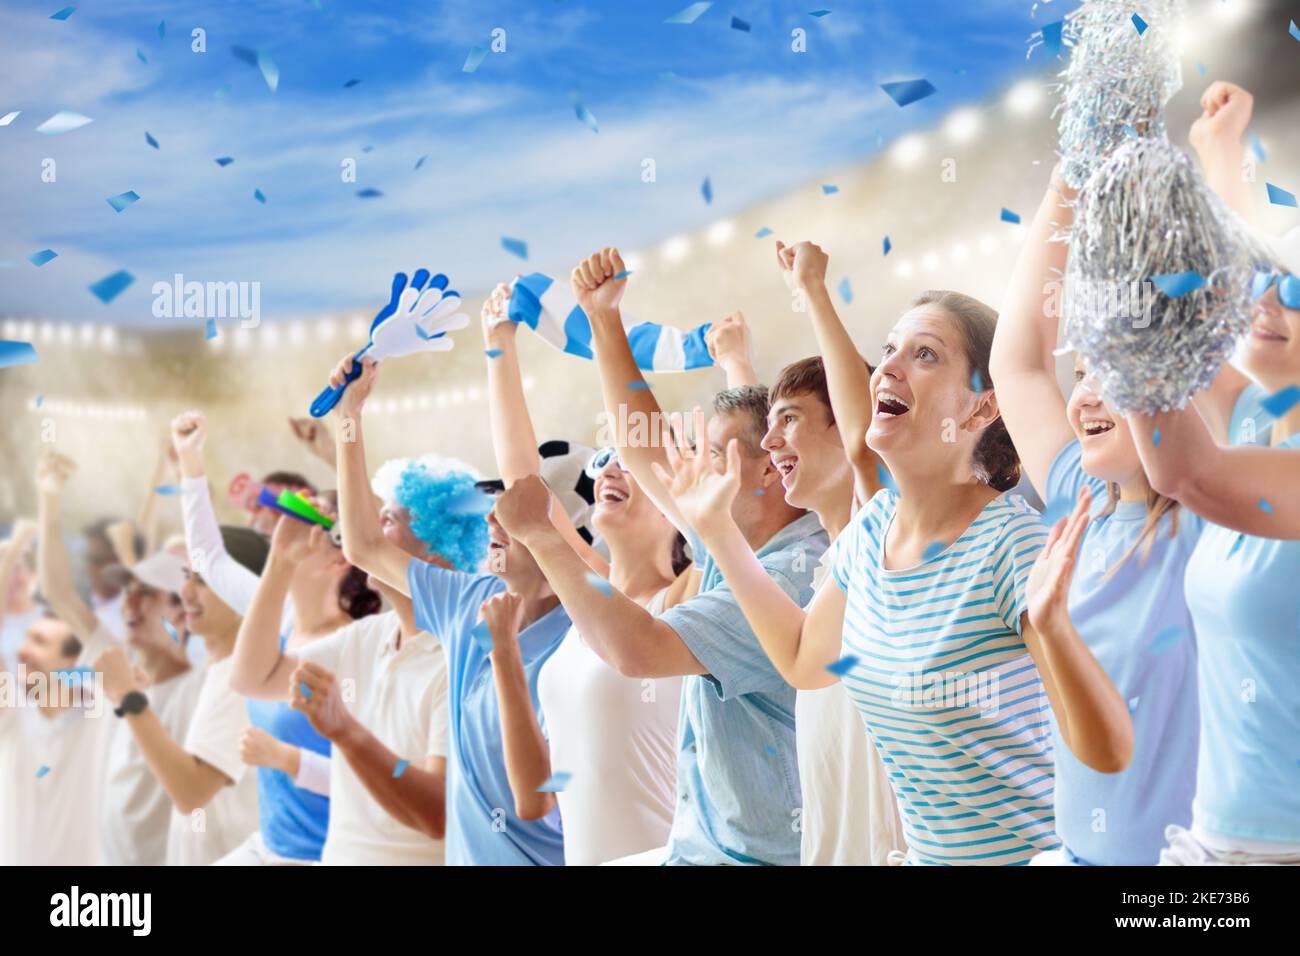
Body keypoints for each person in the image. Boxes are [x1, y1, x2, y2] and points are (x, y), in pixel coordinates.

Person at [652, 249, 1134, 864]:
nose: (889, 369)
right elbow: (805, 660)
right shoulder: (872, 529)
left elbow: (1105, 757)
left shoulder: (1013, 547)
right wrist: (716, 530)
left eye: (924, 354)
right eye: (888, 351)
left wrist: (1059, 630)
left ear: (982, 406)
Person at [491, 247, 828, 867]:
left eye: (714, 453)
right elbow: (642, 443)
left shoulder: (787, 573)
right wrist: (604, 322)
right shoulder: (740, 541)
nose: (689, 466)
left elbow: (635, 649)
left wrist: (543, 538)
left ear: (775, 469)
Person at [990, 168, 1202, 865]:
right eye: (1082, 373)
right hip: (1079, 853)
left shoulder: (1213, 519)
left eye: (1114, 373)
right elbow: (1017, 364)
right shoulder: (1078, 492)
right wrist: (1063, 188)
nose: (1084, 396)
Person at [1123, 80, 1300, 865]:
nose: (1266, 302)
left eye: (1293, 295)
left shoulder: (1243, 451)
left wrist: (1124, 317)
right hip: (1216, 840)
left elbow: (1183, 471)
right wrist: (1218, 153)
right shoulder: (1259, 419)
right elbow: (1229, 300)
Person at [325, 349, 587, 866]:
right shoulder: (469, 598)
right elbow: (363, 547)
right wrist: (349, 420)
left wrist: (506, 657)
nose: (492, 519)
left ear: (564, 535)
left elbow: (541, 800)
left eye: (511, 510)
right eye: (496, 505)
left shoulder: (586, 640)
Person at [479, 280, 696, 865]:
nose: (610, 470)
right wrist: (499, 347)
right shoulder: (590, 592)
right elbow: (523, 483)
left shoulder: (689, 597)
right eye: (604, 461)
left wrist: (606, 326)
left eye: (632, 464)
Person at [230, 453, 488, 866]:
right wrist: (281, 561)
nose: (363, 533)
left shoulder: (459, 659)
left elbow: (437, 814)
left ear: (435, 556)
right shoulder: (369, 637)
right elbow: (252, 678)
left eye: (387, 521)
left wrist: (347, 733)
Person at [748, 242, 909, 865]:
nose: (769, 441)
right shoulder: (828, 569)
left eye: (788, 419)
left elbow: (864, 440)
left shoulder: (886, 531)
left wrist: (813, 289)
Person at [170, 410, 378, 866]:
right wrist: (191, 462)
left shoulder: (358, 646)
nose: (287, 534)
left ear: (340, 559)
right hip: (270, 847)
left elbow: (372, 778)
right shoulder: (280, 618)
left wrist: (288, 759)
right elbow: (208, 557)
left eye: (311, 530)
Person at [34, 450, 204, 866]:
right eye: (128, 588)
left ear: (181, 612)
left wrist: (186, 476)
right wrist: (49, 498)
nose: (130, 599)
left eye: (146, 592)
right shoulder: (117, 657)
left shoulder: (203, 689)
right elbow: (59, 591)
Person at [98, 527, 267, 866]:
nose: (186, 591)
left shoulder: (246, 676)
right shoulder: (221, 673)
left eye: (203, 581)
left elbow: (191, 792)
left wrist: (130, 699)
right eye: (188, 577)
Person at [0, 610, 107, 865]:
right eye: (26, 639)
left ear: (74, 662)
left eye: (39, 642)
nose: (22, 651)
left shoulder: (101, 716)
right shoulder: (11, 714)